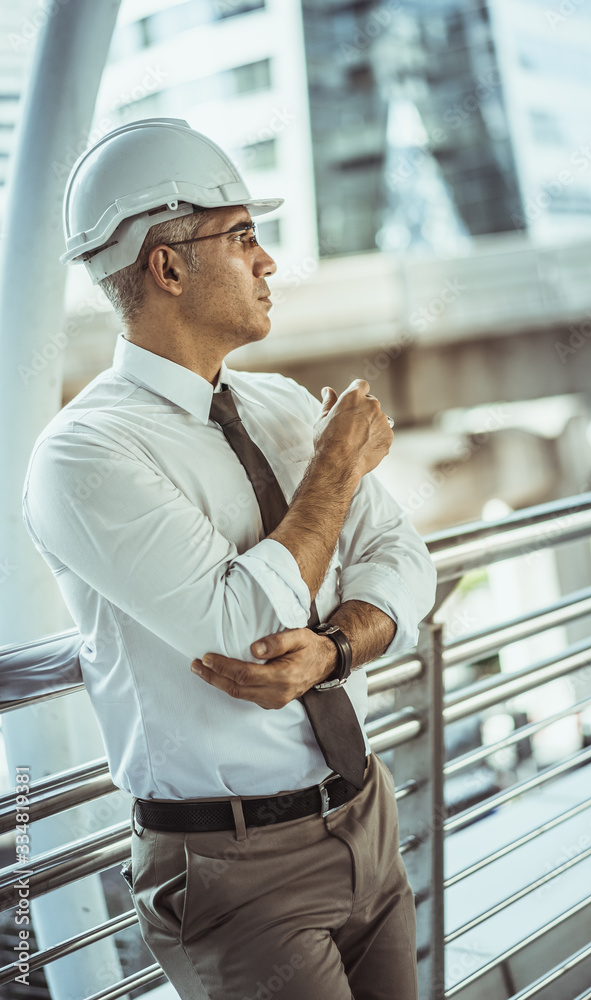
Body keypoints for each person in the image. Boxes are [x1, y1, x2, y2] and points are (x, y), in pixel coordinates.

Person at [22, 119, 437, 1000]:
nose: (268, 262)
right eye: (243, 236)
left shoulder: (283, 405)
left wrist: (337, 648)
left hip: (364, 815)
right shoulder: (85, 454)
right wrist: (333, 470)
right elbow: (248, 629)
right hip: (233, 868)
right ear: (167, 268)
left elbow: (402, 555)